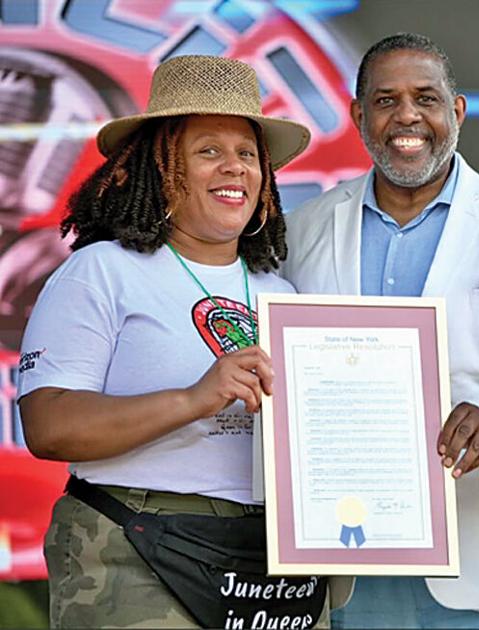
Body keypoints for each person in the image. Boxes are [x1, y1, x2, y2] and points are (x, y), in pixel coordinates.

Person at [281, 33, 479, 629]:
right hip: (347, 571)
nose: (406, 116)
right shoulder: (303, 232)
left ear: (457, 110)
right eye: (385, 99)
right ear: (357, 115)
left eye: (426, 98)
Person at [17, 55, 321, 628]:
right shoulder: (103, 271)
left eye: (248, 154)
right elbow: (49, 426)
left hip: (273, 568)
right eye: (209, 150)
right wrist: (194, 398)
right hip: (133, 552)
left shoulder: (284, 293)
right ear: (158, 168)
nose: (235, 168)